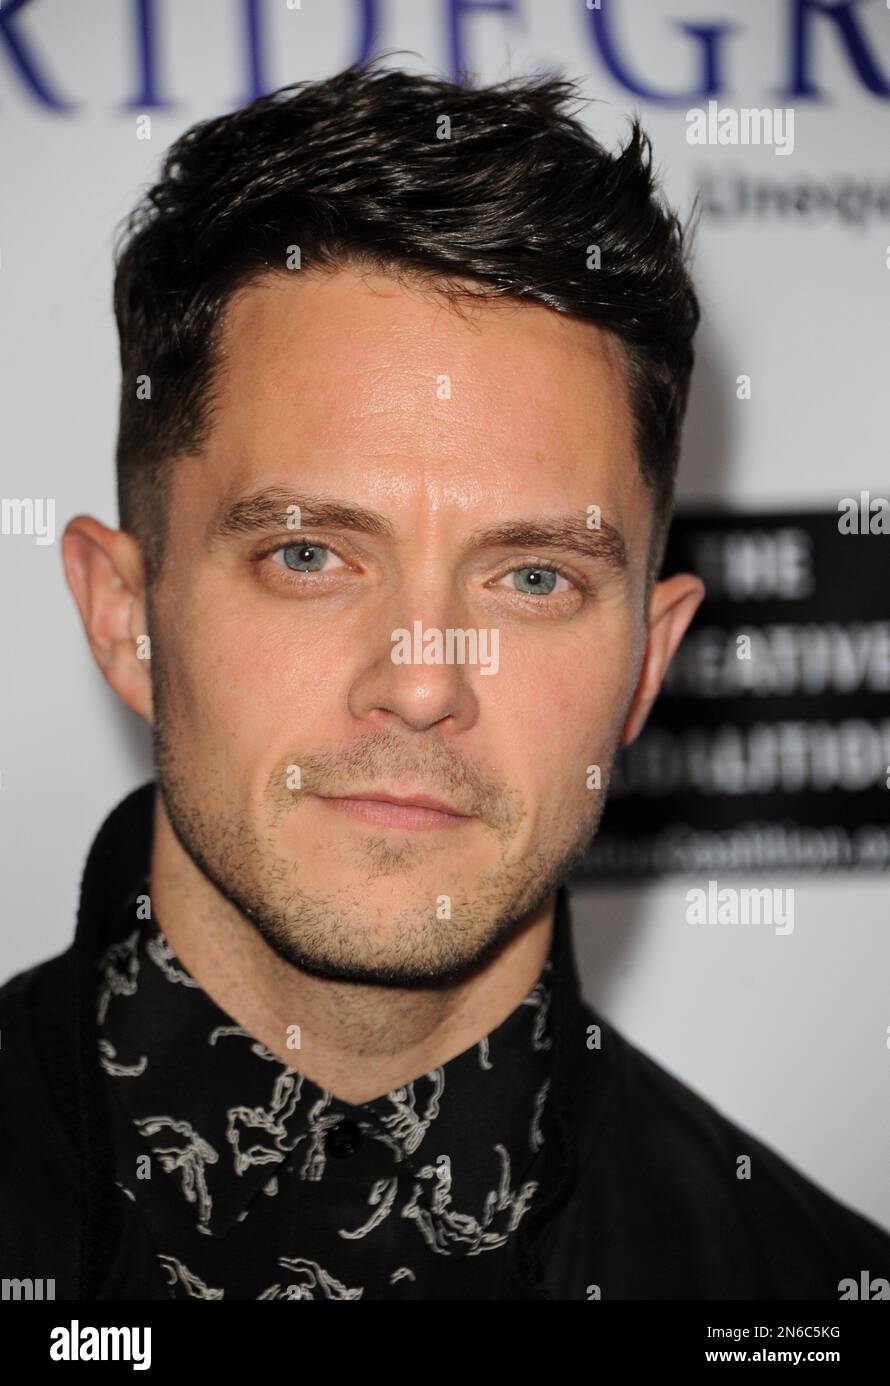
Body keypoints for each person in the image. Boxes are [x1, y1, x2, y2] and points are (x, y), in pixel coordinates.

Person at [2, 58, 887, 1302]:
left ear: (646, 664)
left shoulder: (811, 1294)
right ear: (122, 616)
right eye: (309, 555)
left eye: (531, 579)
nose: (421, 686)